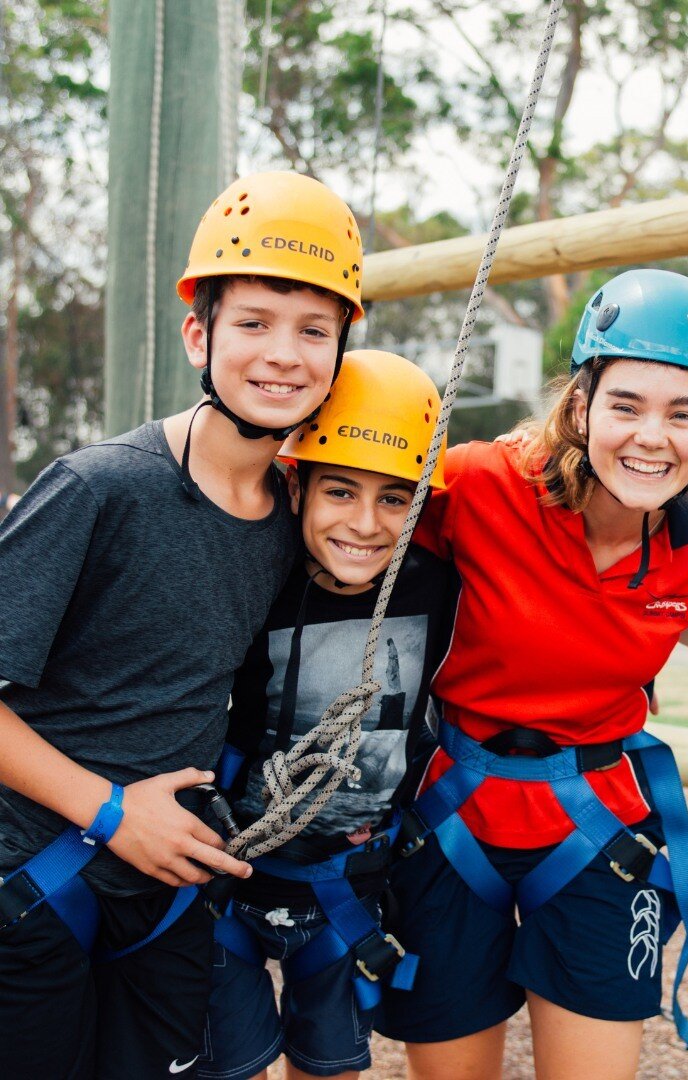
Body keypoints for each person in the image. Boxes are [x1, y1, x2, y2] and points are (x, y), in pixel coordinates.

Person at [0, 170, 363, 1079]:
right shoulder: (100, 489)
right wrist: (113, 812)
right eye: (254, 323)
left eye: (314, 331)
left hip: (163, 901)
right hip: (33, 887)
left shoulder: (299, 521)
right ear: (199, 333)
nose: (284, 354)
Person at [377, 269, 688, 1080]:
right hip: (455, 813)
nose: (653, 436)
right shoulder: (478, 485)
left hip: (596, 823)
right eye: (626, 406)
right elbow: (346, 518)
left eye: (683, 414)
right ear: (581, 407)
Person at [198, 351, 458, 1080]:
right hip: (229, 877)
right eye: (340, 491)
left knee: (330, 1063)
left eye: (394, 499)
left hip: (351, 884)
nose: (365, 524)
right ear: (295, 482)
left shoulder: (437, 587)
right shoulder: (255, 580)